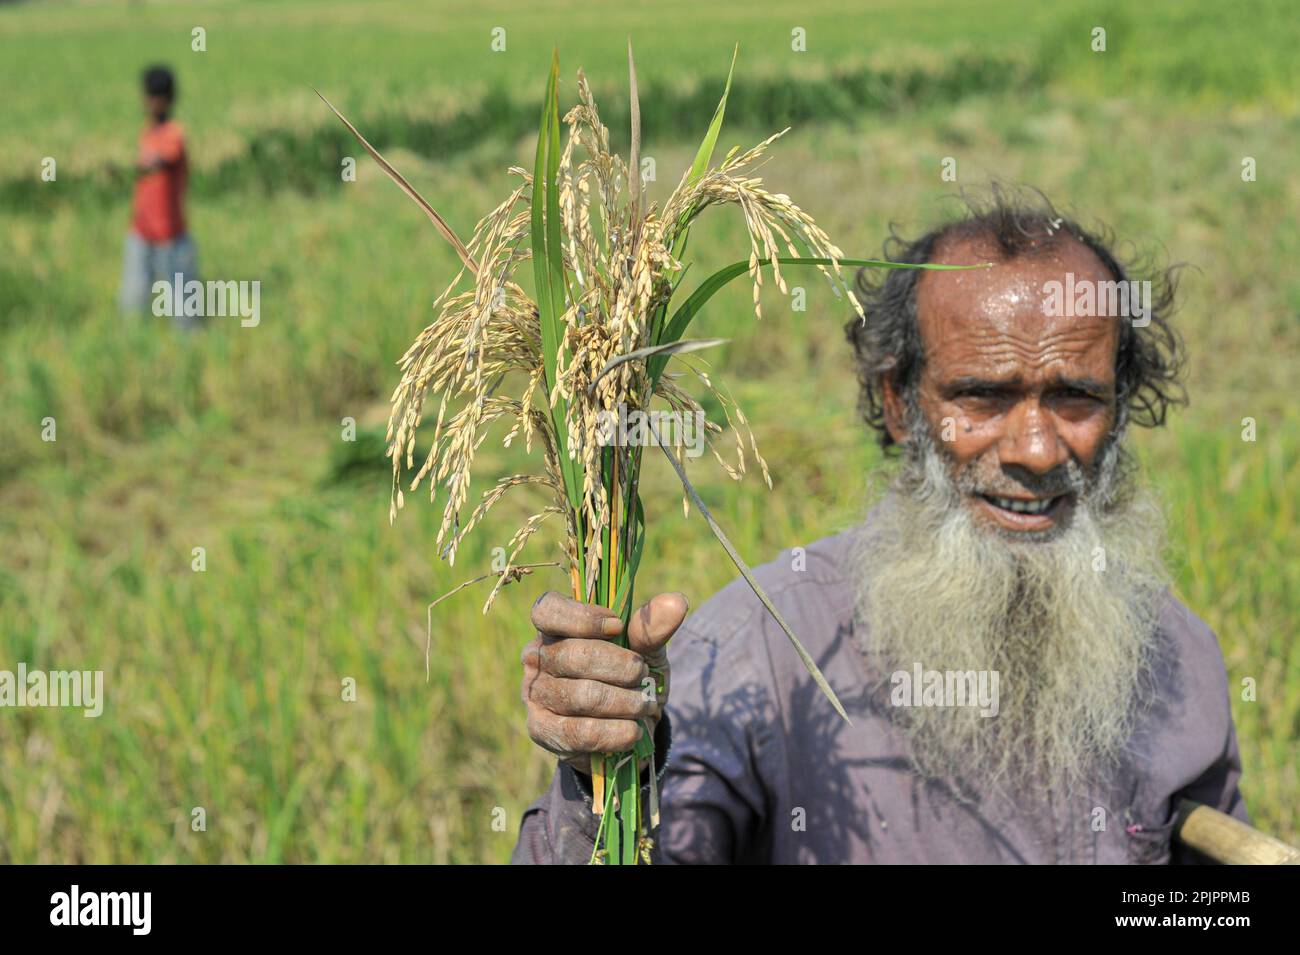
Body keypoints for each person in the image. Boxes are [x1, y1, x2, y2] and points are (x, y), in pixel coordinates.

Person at [512, 190, 1249, 864]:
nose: (1036, 449)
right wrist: (598, 779)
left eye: (1076, 397)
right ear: (900, 403)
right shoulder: (761, 651)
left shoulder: (1176, 658)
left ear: (1120, 405)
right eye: (983, 396)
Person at [119, 65, 200, 329]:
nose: (152, 103)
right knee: (133, 302)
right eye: (149, 96)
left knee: (183, 314)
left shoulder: (174, 134)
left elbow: (161, 162)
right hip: (141, 233)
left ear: (169, 99)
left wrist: (132, 168)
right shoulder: (147, 132)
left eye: (157, 97)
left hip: (171, 238)